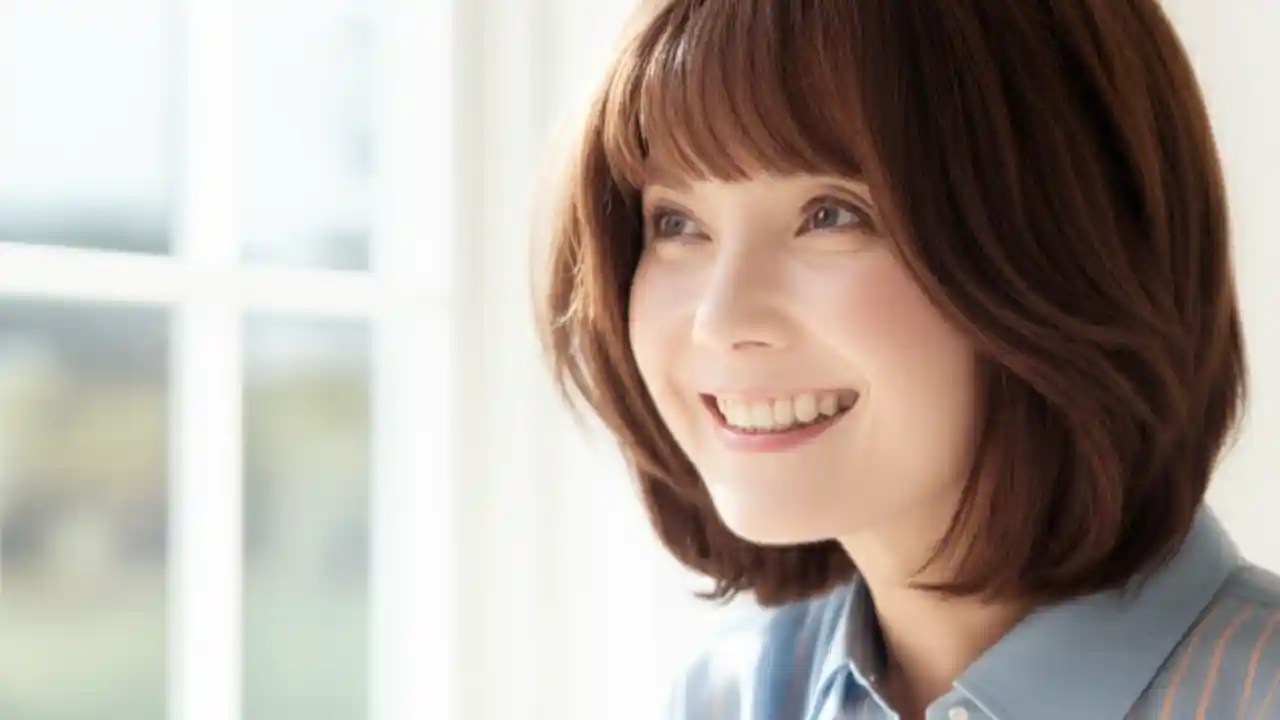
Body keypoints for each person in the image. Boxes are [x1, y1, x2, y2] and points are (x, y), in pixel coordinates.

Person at [534, 1, 1279, 718]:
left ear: (1066, 240)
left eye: (831, 215)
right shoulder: (728, 698)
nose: (721, 319)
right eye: (676, 222)